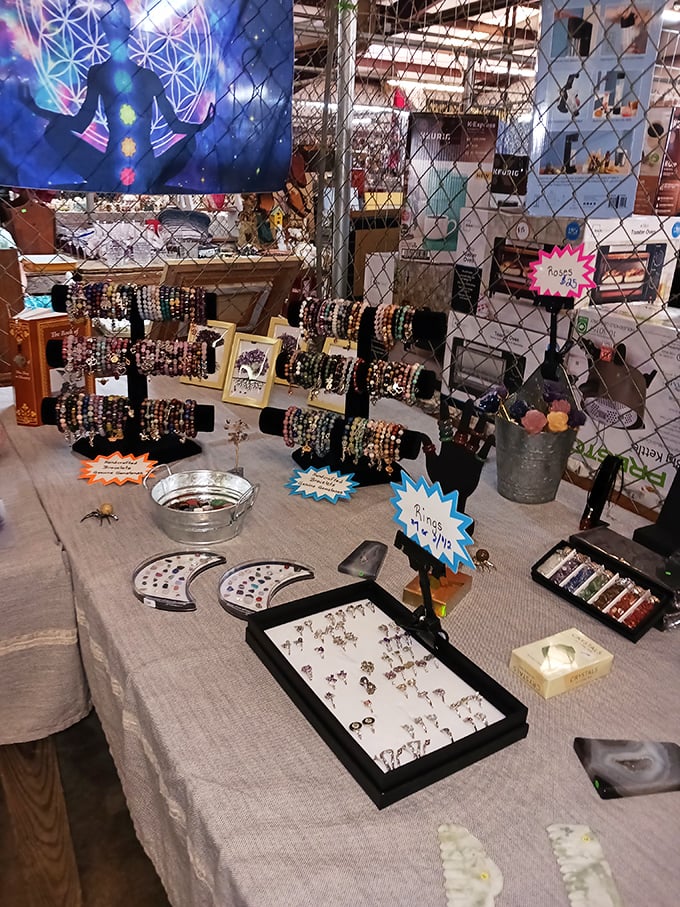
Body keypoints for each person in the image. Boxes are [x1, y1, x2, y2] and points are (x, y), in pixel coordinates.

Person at [19, 0, 214, 192]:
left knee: (190, 140)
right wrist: (36, 109)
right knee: (53, 132)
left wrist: (200, 126)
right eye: (110, 26)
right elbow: (80, 123)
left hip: (140, 168)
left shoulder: (144, 76)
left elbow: (174, 126)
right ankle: (142, 180)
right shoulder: (103, 73)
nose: (113, 32)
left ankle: (142, 180)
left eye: (116, 26)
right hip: (117, 165)